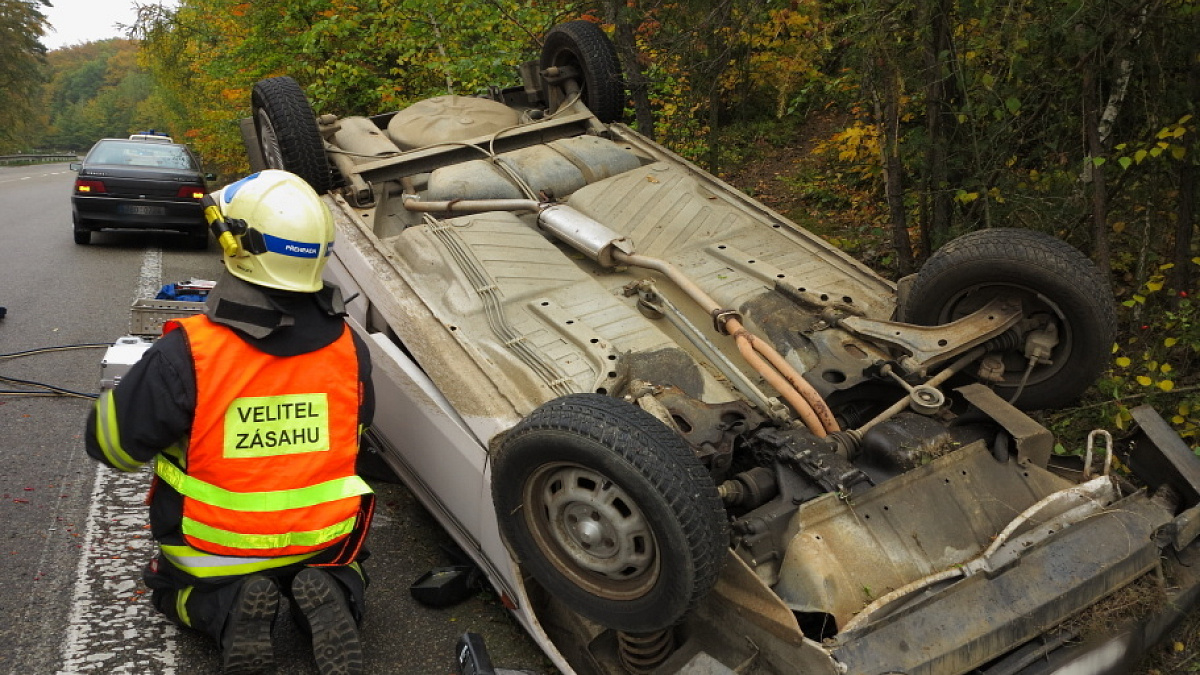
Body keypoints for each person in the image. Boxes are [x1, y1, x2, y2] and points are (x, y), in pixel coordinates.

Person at [85, 169, 375, 675]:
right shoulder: (350, 349)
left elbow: (110, 445)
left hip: (215, 546)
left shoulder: (190, 352)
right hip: (322, 536)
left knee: (168, 588)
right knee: (348, 571)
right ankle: (337, 595)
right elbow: (357, 433)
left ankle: (226, 609)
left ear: (237, 247)